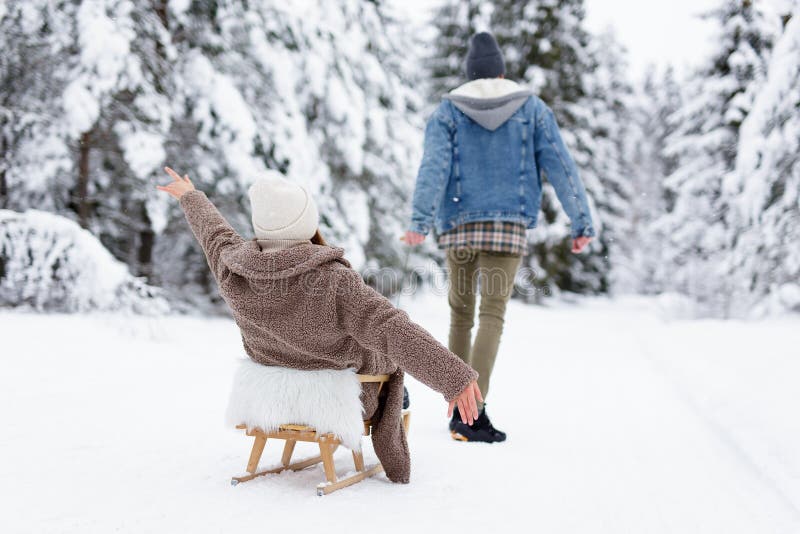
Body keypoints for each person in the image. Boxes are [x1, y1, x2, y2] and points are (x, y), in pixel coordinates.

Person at [157, 167, 482, 484]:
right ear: (305, 223)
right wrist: (452, 377)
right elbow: (390, 327)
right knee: (391, 365)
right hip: (343, 397)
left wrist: (190, 196)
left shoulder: (234, 269)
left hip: (271, 394)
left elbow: (214, 234)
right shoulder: (333, 281)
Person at [405, 32, 595, 443]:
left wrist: (420, 221)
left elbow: (433, 167)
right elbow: (561, 165)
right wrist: (581, 222)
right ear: (503, 72)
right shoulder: (532, 108)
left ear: (469, 74)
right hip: (508, 226)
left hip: (458, 225)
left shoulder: (449, 111)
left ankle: (458, 407)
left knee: (460, 315)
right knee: (492, 315)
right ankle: (472, 415)